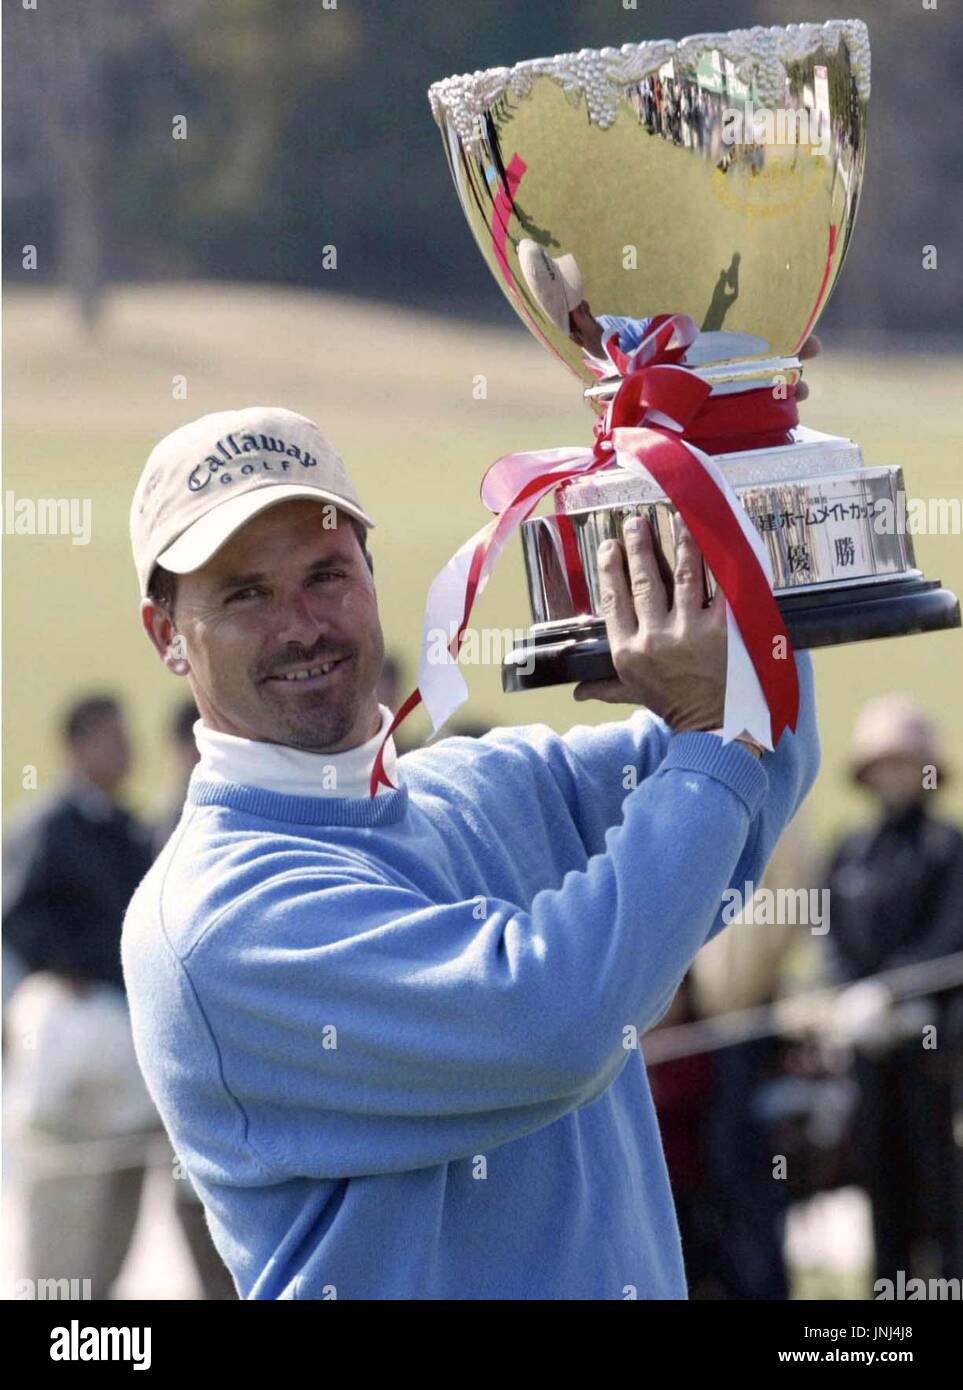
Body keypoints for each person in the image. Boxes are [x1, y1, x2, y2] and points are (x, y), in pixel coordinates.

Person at [120, 404, 819, 1299]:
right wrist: (716, 727)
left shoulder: (494, 781)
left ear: (371, 575)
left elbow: (758, 774)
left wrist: (716, 449)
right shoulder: (214, 918)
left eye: (326, 573)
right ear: (165, 634)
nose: (301, 626)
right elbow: (554, 1022)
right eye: (244, 593)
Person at [3, 696, 161, 1299]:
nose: (125, 753)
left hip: (125, 1037)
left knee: (120, 1198)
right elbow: (18, 917)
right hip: (73, 1039)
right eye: (110, 739)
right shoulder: (46, 827)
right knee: (68, 1205)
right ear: (77, 745)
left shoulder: (127, 828)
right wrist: (65, 967)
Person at [823, 695, 963, 1285]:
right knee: (878, 1178)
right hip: (868, 1053)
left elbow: (950, 938)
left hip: (933, 1052)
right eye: (883, 764)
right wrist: (850, 999)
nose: (893, 776)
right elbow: (831, 940)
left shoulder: (949, 849)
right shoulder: (849, 853)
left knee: (940, 1180)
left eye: (904, 763)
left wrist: (900, 998)